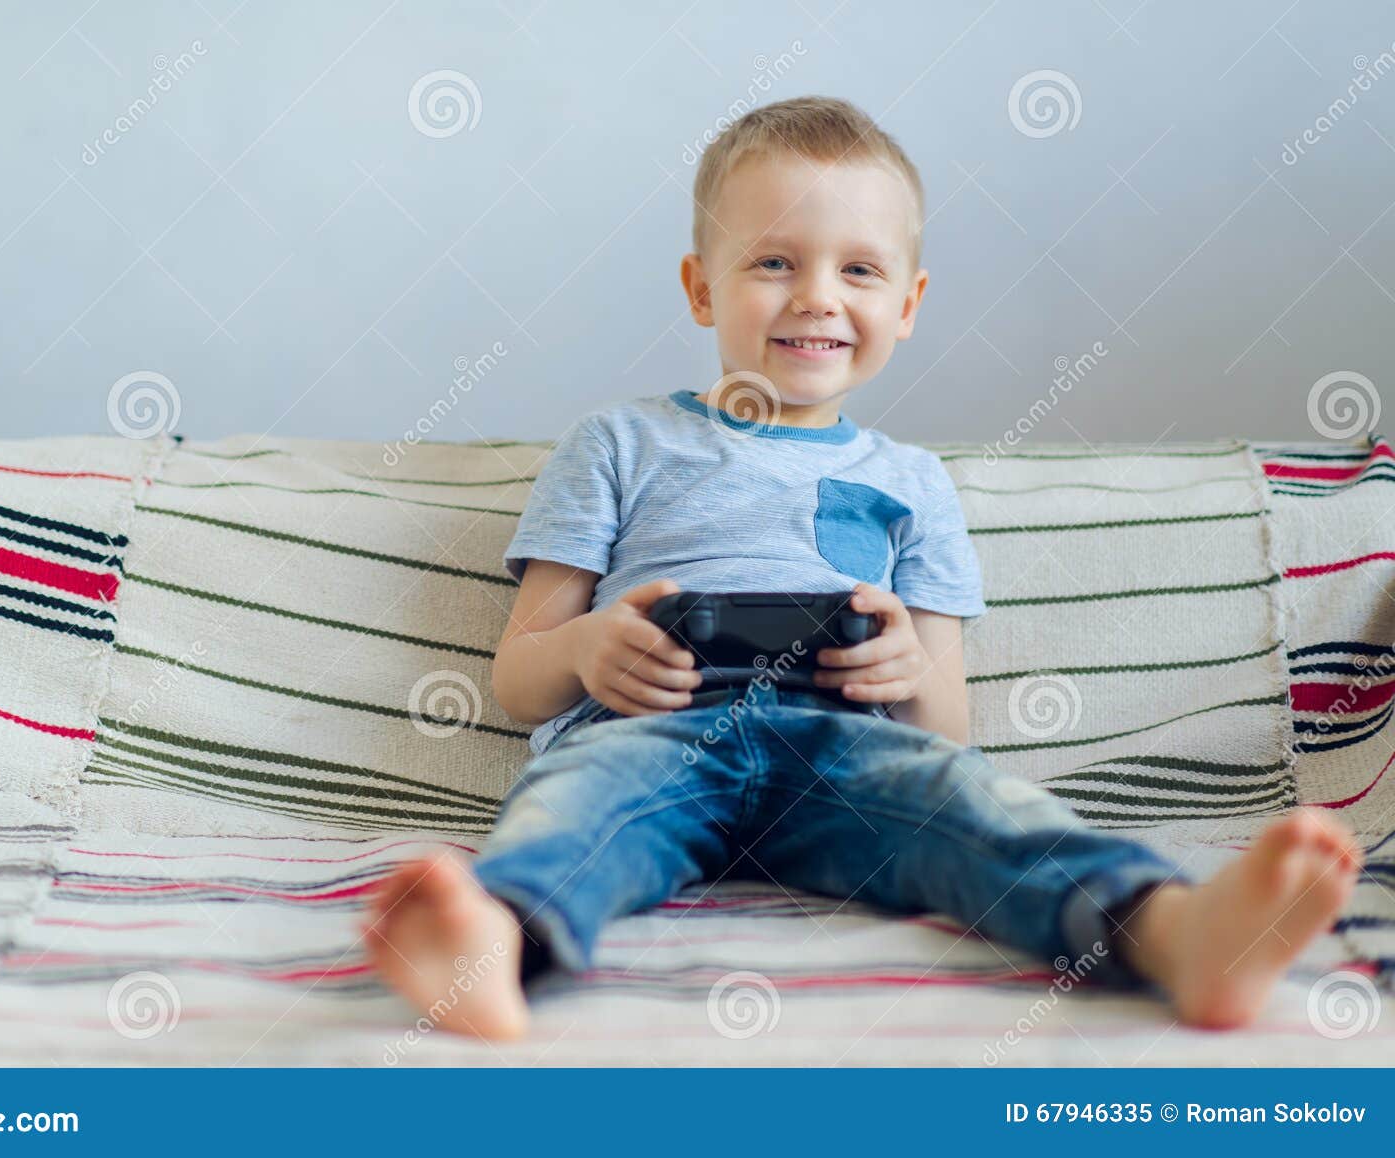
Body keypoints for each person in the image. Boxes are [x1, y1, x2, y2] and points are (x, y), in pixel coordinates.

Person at [362, 96, 1362, 1040]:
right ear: (700, 286)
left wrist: (899, 670)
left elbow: (948, 728)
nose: (815, 297)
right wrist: (588, 650)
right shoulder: (620, 443)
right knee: (574, 814)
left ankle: (1171, 930)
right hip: (648, 737)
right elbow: (516, 675)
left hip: (845, 749)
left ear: (910, 301)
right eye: (772, 262)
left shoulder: (913, 481)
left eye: (858, 271)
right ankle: (488, 947)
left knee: (977, 813)